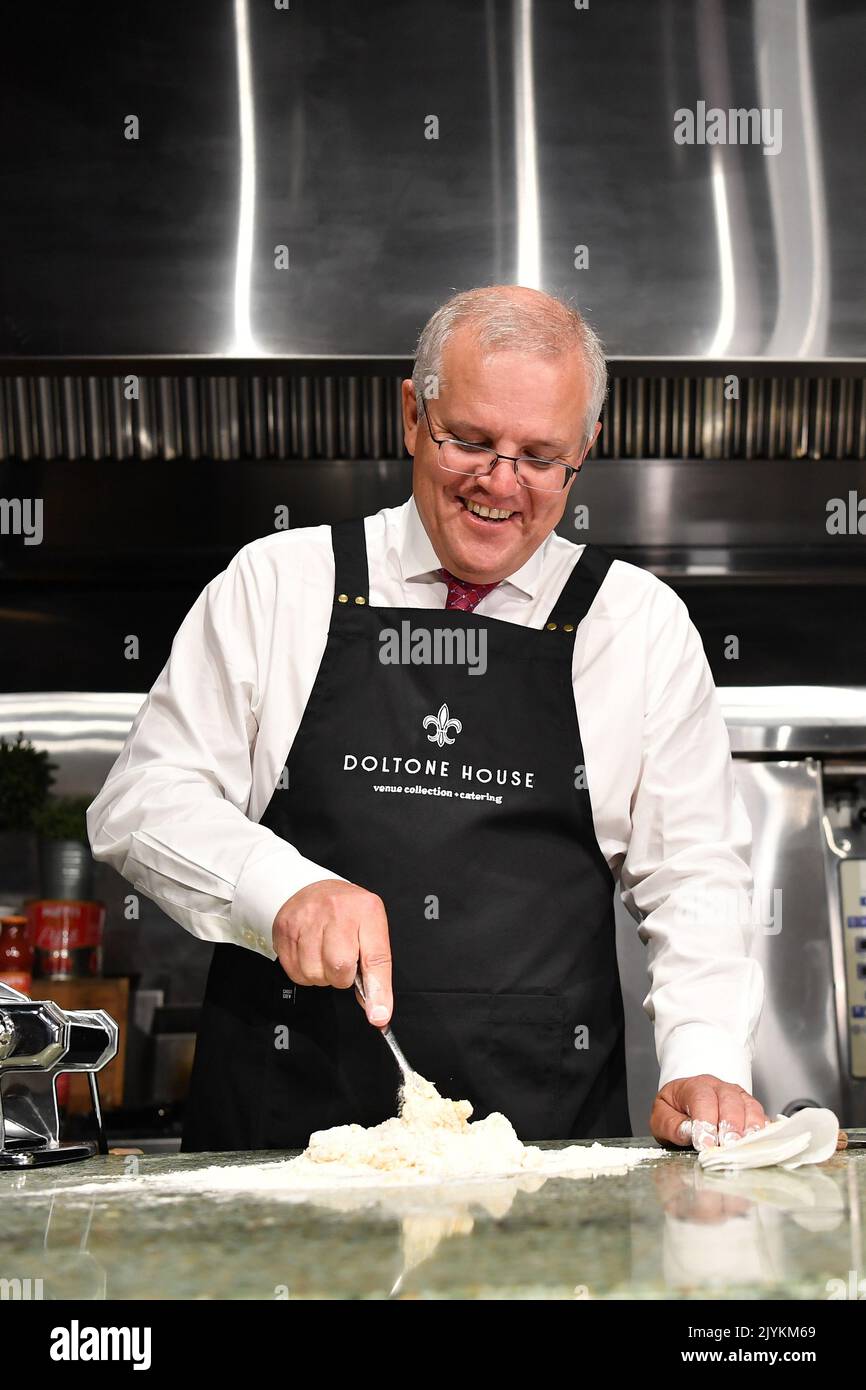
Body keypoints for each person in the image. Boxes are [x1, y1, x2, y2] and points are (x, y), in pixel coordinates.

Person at [88, 285, 766, 1153]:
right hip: (278, 1155)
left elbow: (694, 874)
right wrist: (279, 886)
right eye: (470, 442)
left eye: (540, 456)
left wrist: (706, 1057)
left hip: (544, 1162)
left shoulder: (637, 625)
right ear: (413, 412)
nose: (501, 484)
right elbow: (141, 800)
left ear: (586, 451)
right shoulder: (277, 584)